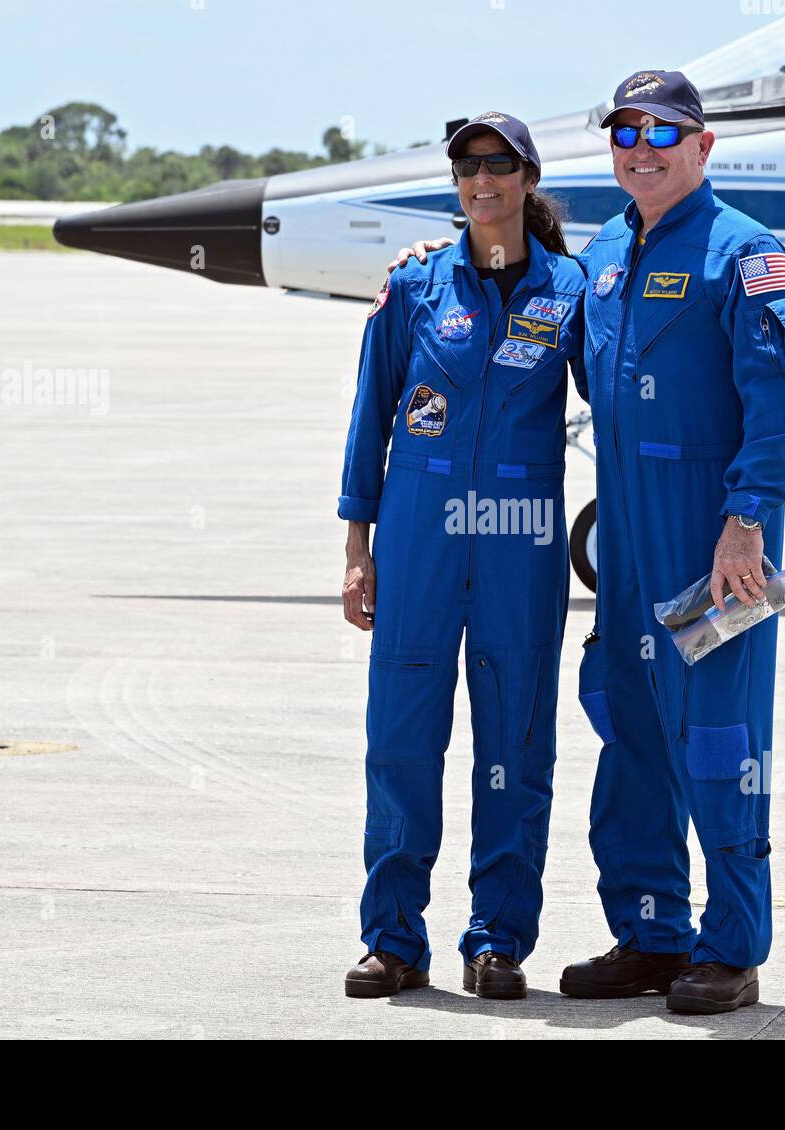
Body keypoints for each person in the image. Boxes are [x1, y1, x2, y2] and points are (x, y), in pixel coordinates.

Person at [393, 70, 785, 1014]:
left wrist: (747, 521)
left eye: (664, 132)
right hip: (625, 545)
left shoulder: (746, 257)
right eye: (626, 130)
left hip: (717, 547)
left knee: (717, 740)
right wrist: (445, 250)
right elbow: (532, 322)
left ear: (702, 147)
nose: (642, 147)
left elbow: (782, 405)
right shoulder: (607, 258)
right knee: (631, 736)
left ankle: (733, 947)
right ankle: (654, 934)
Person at [338, 112, 585, 1001]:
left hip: (520, 539)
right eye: (465, 168)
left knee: (516, 740)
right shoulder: (413, 289)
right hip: (419, 537)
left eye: (496, 164)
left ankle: (497, 942)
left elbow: (626, 395)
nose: (480, 180)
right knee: (402, 737)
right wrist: (358, 549)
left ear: (526, 177)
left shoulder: (573, 289)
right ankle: (394, 940)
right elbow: (371, 422)